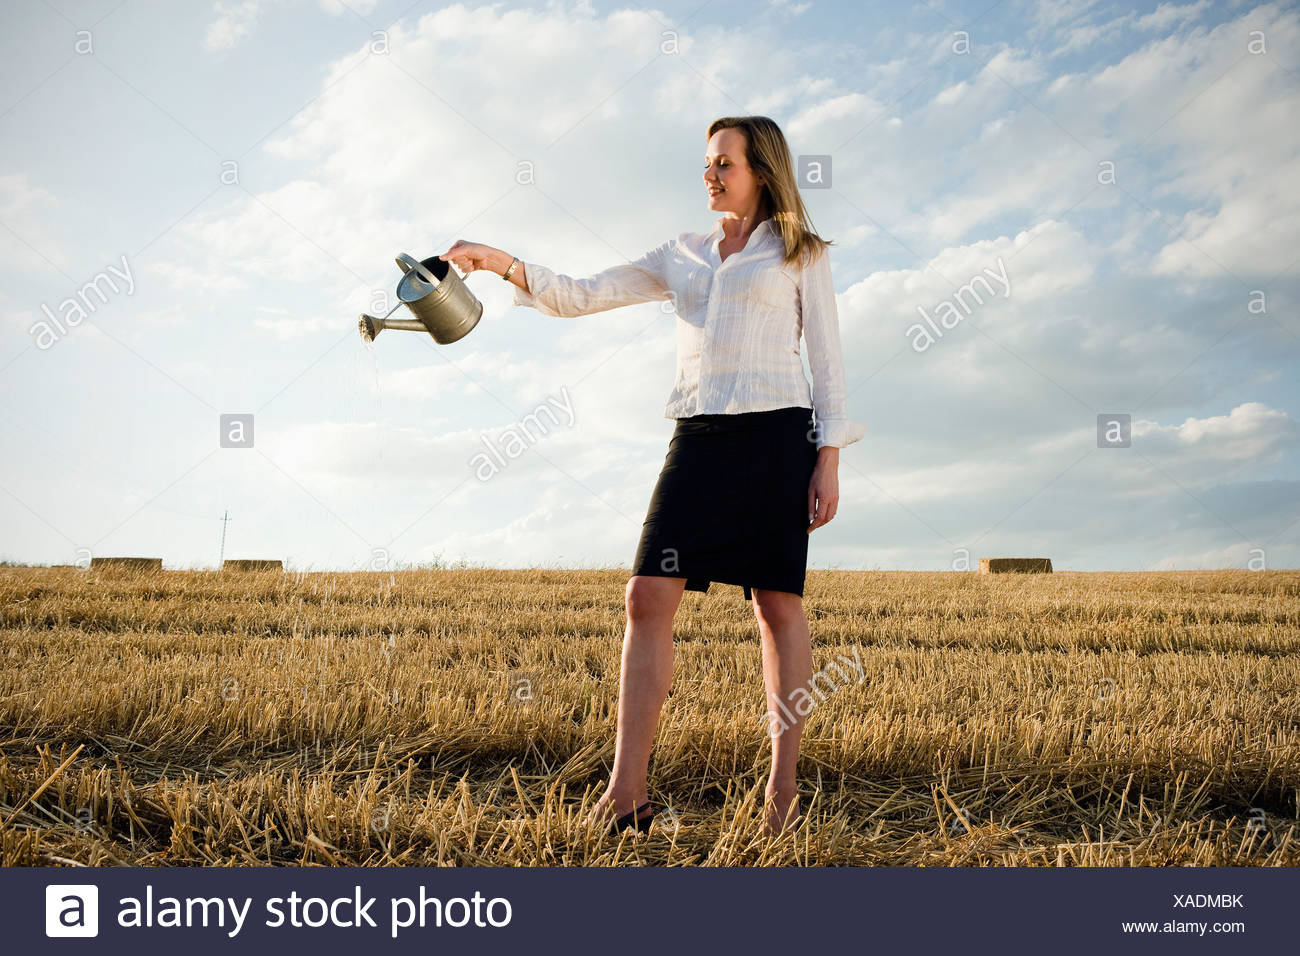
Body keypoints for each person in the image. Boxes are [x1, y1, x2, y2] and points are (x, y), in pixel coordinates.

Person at [438, 115, 866, 839]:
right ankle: (625, 793)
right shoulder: (683, 254)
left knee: (777, 607)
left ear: (761, 169)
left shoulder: (802, 253)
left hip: (775, 439)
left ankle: (781, 796)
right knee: (645, 596)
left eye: (723, 163)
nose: (710, 174)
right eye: (706, 162)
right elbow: (580, 293)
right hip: (698, 437)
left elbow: (827, 364)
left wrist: (827, 456)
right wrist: (496, 261)